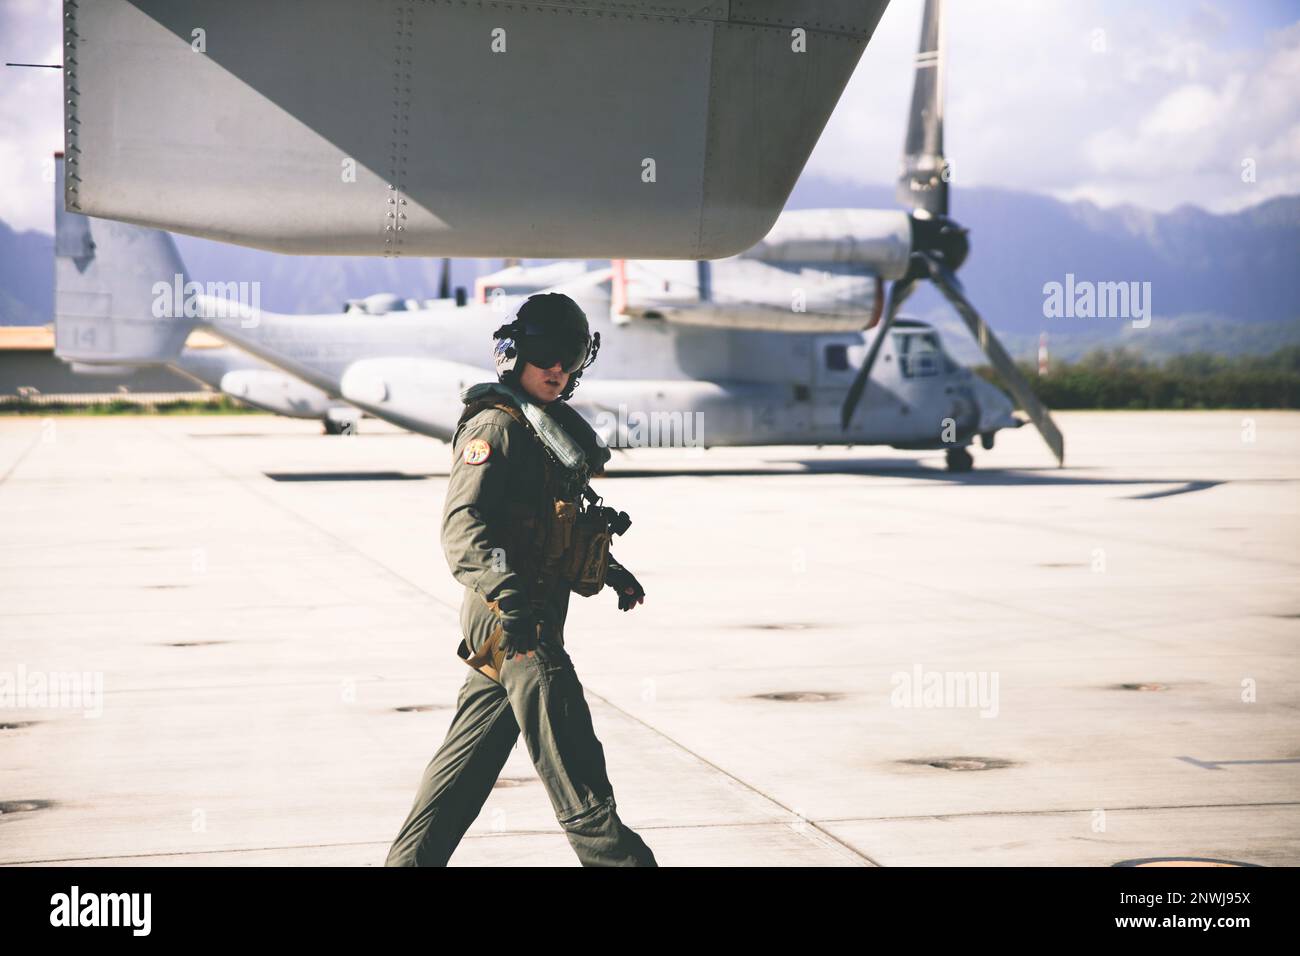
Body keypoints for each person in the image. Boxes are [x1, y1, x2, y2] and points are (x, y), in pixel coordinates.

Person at [384, 292, 657, 867]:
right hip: (515, 623)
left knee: (464, 769)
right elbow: (464, 526)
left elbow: (547, 527)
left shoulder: (540, 429)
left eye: (571, 355)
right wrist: (509, 598)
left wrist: (609, 570)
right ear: (518, 355)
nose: (557, 368)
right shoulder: (497, 426)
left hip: (517, 619)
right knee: (575, 763)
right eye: (544, 354)